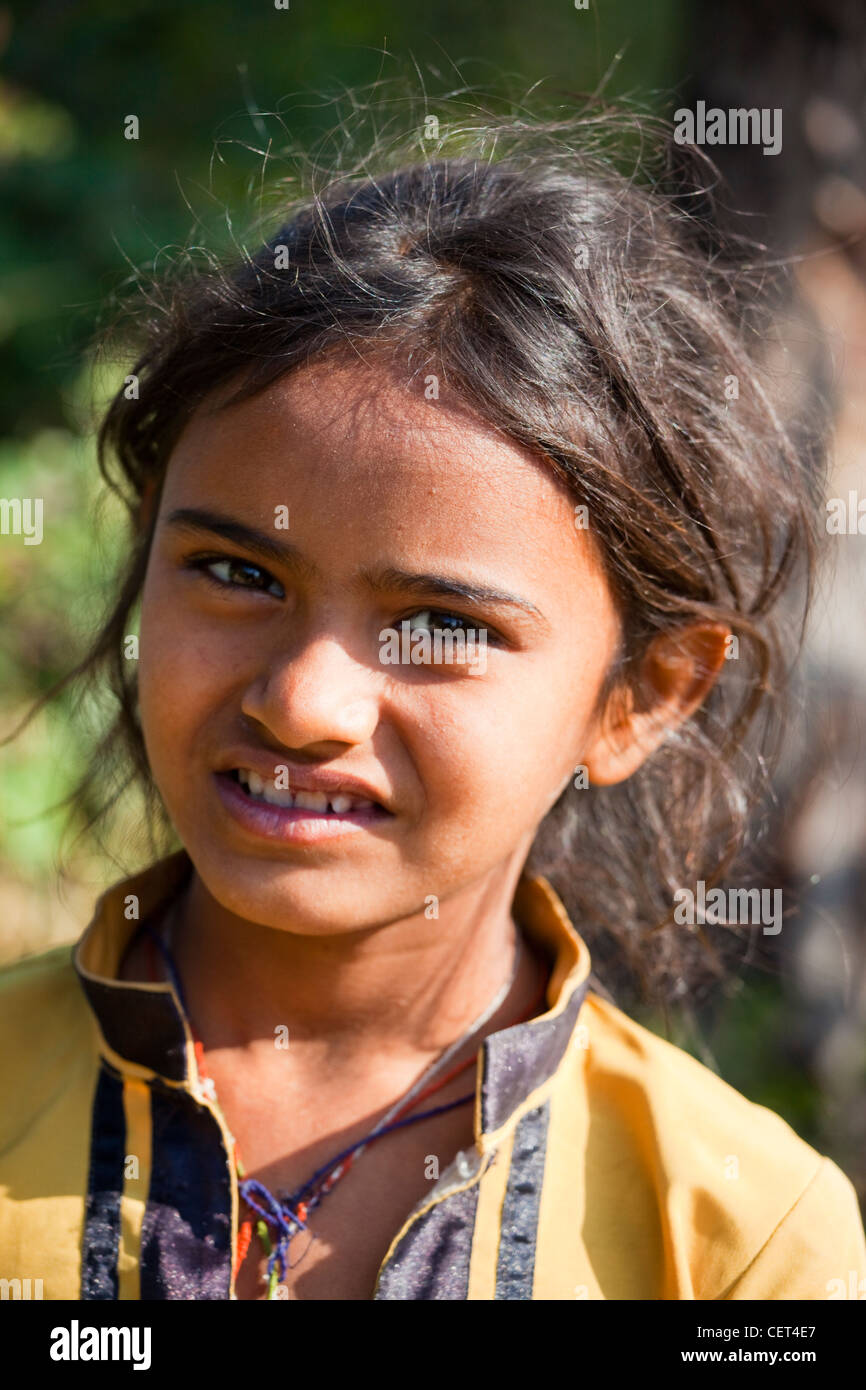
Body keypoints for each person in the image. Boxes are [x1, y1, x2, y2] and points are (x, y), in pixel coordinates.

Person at [2, 104, 864, 1301]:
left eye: (441, 626)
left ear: (639, 698)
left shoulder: (735, 1241)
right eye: (238, 574)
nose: (305, 701)